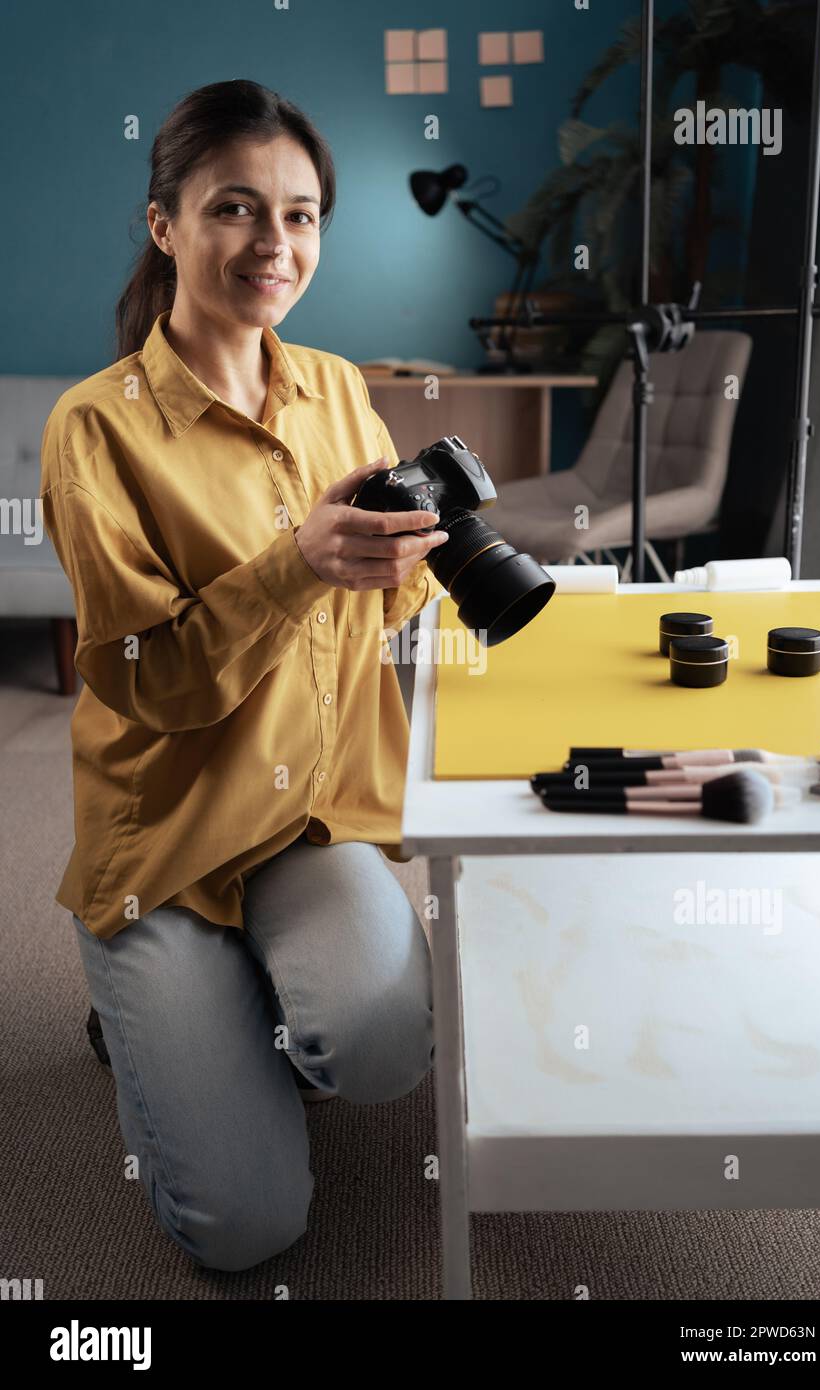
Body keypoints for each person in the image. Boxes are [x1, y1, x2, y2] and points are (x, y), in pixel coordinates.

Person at [39, 79, 450, 1273]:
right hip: (167, 840)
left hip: (308, 815)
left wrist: (410, 553)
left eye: (303, 214)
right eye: (235, 208)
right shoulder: (96, 429)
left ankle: (246, 1012)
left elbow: (390, 600)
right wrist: (293, 566)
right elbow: (142, 679)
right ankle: (149, 1015)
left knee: (382, 1047)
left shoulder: (332, 387)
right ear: (164, 223)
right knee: (244, 1228)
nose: (275, 245)